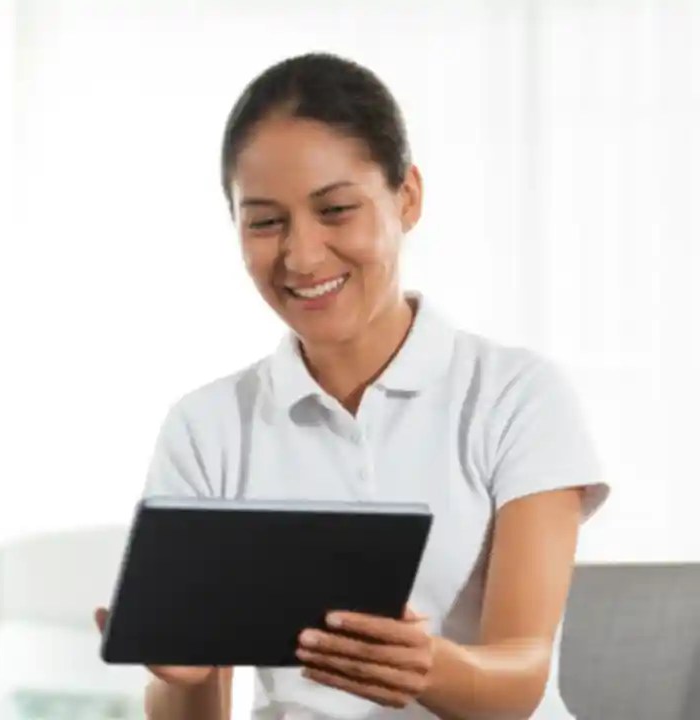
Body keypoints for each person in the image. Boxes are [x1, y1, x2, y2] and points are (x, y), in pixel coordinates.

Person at [94, 53, 608, 719]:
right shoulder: (206, 428)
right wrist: (186, 677)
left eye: (335, 210)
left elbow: (520, 675)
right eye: (264, 221)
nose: (301, 256)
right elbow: (188, 706)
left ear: (408, 197)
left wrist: (426, 666)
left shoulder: (516, 395)